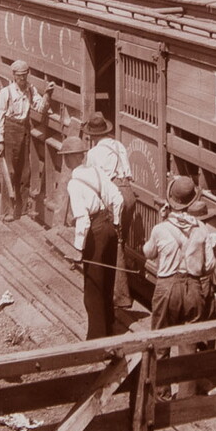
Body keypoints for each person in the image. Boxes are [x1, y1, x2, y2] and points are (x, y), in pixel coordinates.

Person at [143, 176, 216, 333]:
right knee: (190, 340)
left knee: (160, 340)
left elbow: (148, 253)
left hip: (167, 287)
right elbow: (209, 265)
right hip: (193, 289)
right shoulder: (201, 229)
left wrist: (161, 220)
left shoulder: (160, 229)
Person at [60, 135, 124, 340]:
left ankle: (96, 338)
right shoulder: (98, 172)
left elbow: (82, 219)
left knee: (93, 287)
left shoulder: (74, 182)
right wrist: (115, 223)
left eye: (65, 157)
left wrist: (78, 249)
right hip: (109, 227)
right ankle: (110, 326)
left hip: (95, 231)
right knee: (107, 281)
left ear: (70, 159)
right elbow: (118, 198)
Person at [83, 112, 135, 311]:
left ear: (93, 135)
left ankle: (120, 297)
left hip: (114, 195)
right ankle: (119, 289)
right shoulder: (118, 146)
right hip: (128, 193)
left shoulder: (94, 153)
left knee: (116, 243)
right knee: (121, 240)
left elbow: (93, 180)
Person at [0, 60, 53, 221]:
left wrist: (47, 94)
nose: (22, 79)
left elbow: (40, 107)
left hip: (24, 130)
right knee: (9, 172)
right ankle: (6, 211)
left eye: (25, 75)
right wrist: (0, 140)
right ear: (14, 75)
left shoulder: (31, 90)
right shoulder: (6, 93)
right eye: (19, 76)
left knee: (24, 171)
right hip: (9, 131)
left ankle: (23, 208)